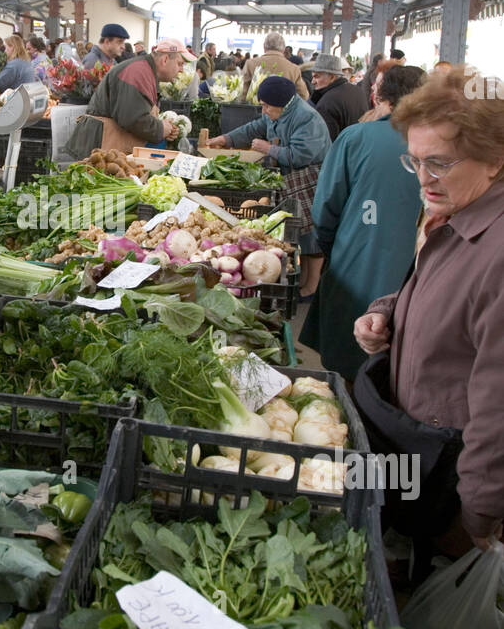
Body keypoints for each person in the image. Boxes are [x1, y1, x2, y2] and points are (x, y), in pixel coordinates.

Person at [352, 68, 504, 564]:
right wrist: (387, 314)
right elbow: (445, 295)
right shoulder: (456, 213)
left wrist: (476, 522)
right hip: (418, 450)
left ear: (496, 158)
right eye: (414, 161)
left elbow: (497, 409)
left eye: (438, 162)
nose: (423, 178)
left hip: (455, 482)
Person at [300, 66, 426, 379]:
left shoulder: (356, 137)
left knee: (350, 362)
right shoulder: (440, 142)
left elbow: (326, 208)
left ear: (378, 95)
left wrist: (337, 247)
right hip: (419, 277)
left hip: (358, 263)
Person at [210, 76, 331, 291]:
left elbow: (300, 156)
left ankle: (312, 286)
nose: (264, 110)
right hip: (293, 178)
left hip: (311, 179)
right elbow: (254, 127)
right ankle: (303, 282)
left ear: (281, 104)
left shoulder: (307, 119)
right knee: (299, 232)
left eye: (266, 105)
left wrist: (268, 149)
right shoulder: (280, 112)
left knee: (312, 234)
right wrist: (227, 139)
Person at [67, 39, 195, 158]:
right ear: (165, 59)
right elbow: (133, 118)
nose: (181, 70)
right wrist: (161, 128)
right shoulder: (138, 73)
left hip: (106, 145)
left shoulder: (144, 70)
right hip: (100, 146)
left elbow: (136, 111)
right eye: (180, 64)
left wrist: (166, 128)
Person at [239, 31, 309, 101]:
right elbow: (303, 96)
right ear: (283, 49)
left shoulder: (250, 64)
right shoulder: (294, 69)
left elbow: (242, 92)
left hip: (254, 110)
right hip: (283, 110)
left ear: (264, 47)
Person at [310, 53, 366, 139]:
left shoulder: (327, 103)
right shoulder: (358, 91)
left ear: (332, 77)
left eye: (317, 76)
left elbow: (327, 141)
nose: (312, 82)